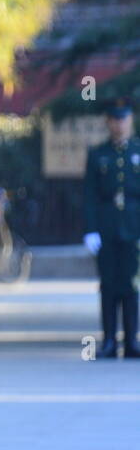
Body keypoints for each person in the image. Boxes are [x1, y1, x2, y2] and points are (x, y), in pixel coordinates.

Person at [83, 98, 140, 359]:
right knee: (108, 284)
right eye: (115, 119)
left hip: (134, 226)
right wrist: (90, 229)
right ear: (108, 122)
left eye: (124, 119)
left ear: (131, 120)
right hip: (107, 226)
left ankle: (131, 341)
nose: (119, 125)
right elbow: (90, 195)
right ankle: (108, 341)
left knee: (131, 285)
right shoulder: (98, 154)